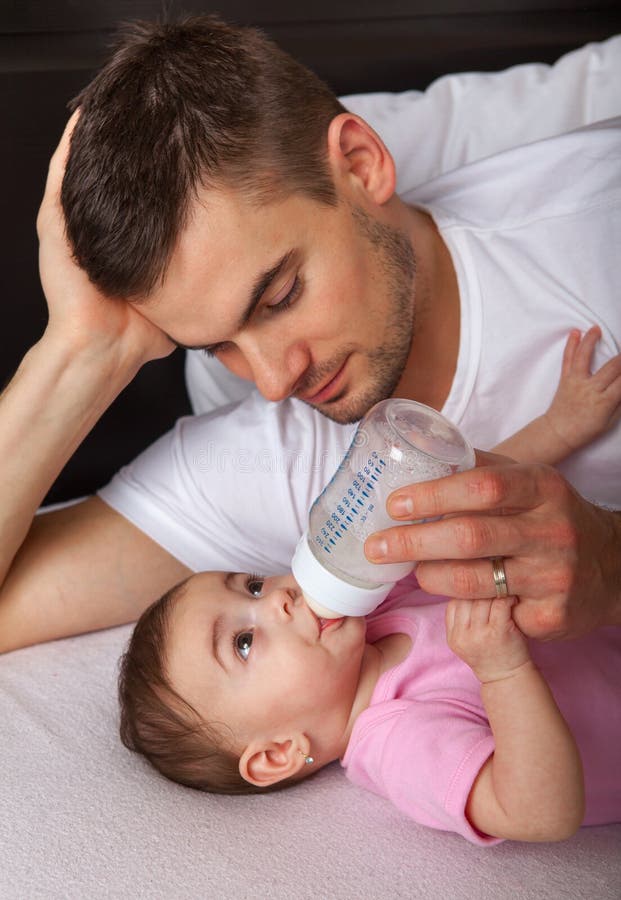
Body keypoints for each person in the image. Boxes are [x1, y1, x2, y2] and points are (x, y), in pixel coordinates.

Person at [0, 16, 620, 658]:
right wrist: (80, 353)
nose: (274, 382)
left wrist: (612, 563)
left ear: (361, 164)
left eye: (280, 296)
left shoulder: (594, 233)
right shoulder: (278, 461)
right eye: (218, 347)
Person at [116, 338, 621, 844]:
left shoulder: (380, 600)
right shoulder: (397, 741)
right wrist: (503, 671)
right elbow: (538, 815)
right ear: (278, 753)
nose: (275, 599)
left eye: (251, 586)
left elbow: (466, 508)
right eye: (243, 643)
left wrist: (560, 428)